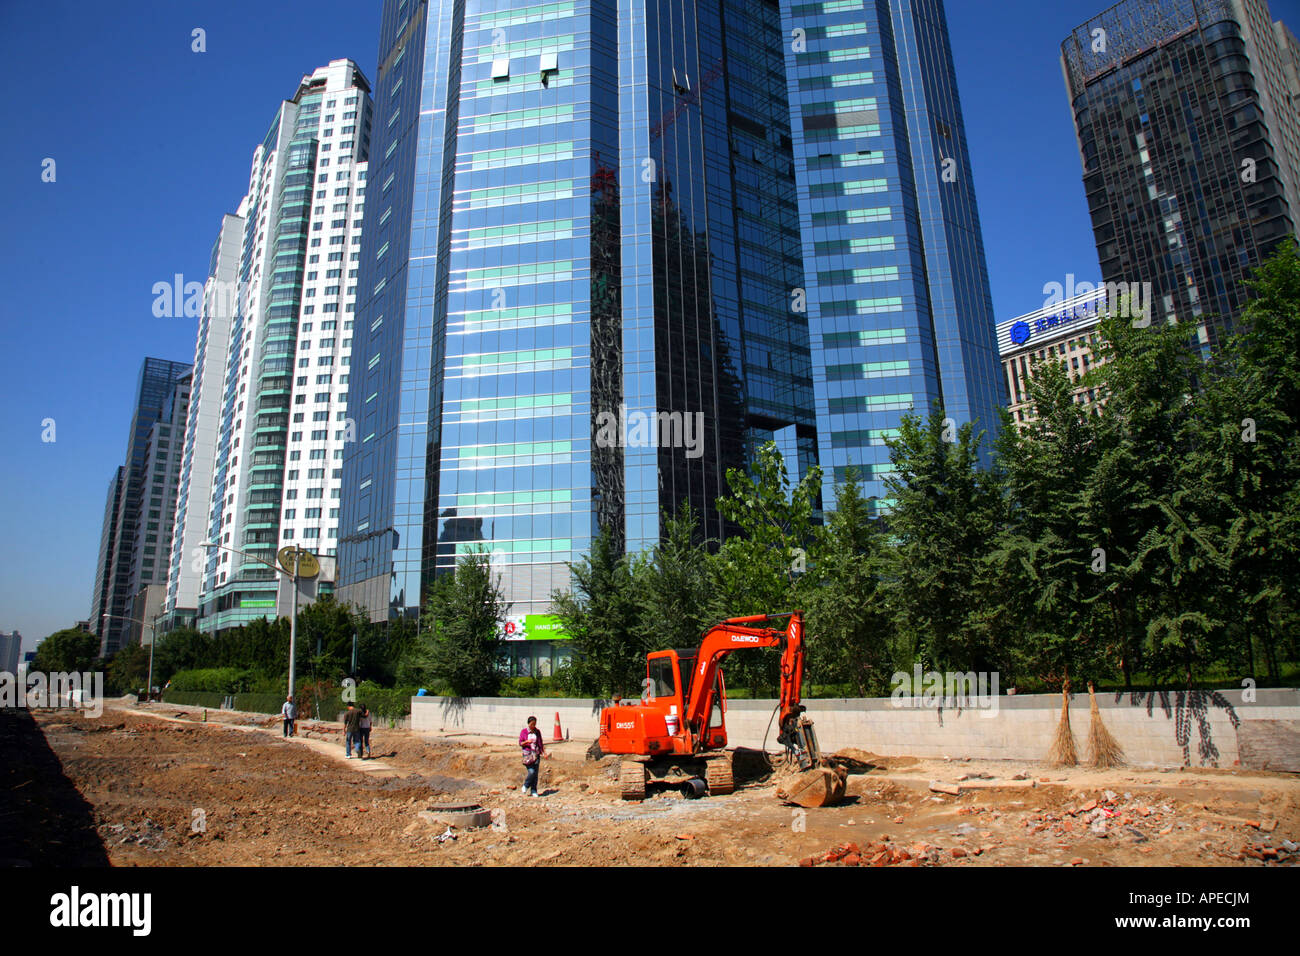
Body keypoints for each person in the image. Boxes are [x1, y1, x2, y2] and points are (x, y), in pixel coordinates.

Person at [519, 715, 545, 796]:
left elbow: (540, 743)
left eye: (534, 724)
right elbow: (520, 743)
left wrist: (543, 752)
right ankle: (526, 785)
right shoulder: (524, 732)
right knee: (531, 771)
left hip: (536, 754)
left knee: (536, 773)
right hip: (528, 755)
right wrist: (527, 741)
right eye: (532, 724)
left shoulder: (537, 732)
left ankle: (534, 790)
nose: (533, 726)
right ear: (528, 724)